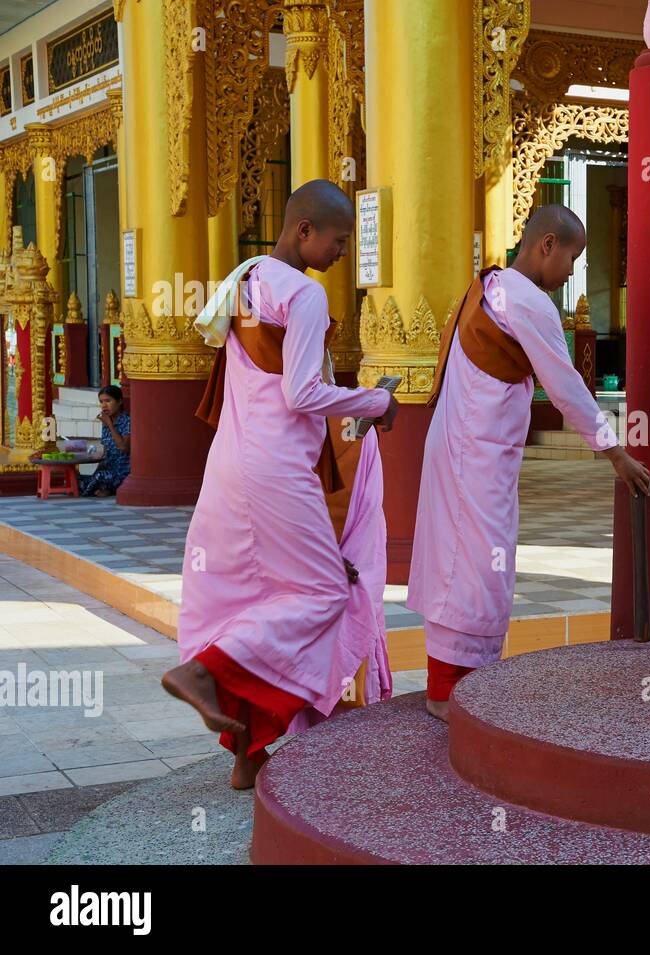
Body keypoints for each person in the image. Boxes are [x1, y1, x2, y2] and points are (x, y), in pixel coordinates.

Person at [162, 179, 399, 789]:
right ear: (304, 231)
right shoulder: (305, 294)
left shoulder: (244, 282)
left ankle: (248, 752)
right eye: (339, 240)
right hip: (276, 469)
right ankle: (204, 673)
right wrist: (376, 401)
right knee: (324, 594)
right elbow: (302, 394)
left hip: (229, 465)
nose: (343, 252)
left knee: (251, 599)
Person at [408, 204, 650, 721]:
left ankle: (448, 688)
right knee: (476, 566)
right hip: (477, 455)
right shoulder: (528, 301)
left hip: (458, 447)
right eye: (572, 256)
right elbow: (567, 389)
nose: (571, 270)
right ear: (546, 244)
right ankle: (454, 693)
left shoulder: (491, 287)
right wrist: (615, 453)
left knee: (460, 562)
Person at [78, 386, 130, 497]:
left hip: (122, 473)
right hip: (108, 471)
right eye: (101, 402)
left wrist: (110, 425)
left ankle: (90, 491)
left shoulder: (126, 421)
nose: (104, 405)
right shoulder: (106, 421)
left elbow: (123, 447)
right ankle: (102, 488)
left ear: (119, 401)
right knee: (77, 477)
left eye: (108, 401)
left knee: (99, 477)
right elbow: (106, 453)